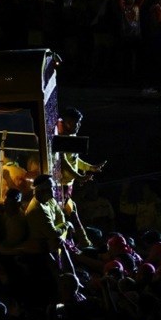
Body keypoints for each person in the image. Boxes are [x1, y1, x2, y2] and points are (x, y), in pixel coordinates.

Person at [57, 106, 105, 248]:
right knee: (69, 213)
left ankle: (82, 243)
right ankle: (79, 244)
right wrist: (79, 176)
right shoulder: (60, 138)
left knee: (72, 211)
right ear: (65, 122)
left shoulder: (71, 137)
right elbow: (64, 163)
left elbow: (74, 160)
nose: (77, 126)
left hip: (68, 184)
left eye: (78, 123)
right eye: (74, 123)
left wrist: (90, 167)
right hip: (61, 185)